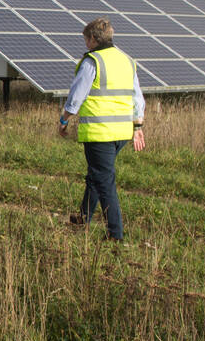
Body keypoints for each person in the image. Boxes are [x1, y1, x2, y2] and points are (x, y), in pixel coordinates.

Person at [58, 17, 145, 241]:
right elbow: (137, 97)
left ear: (94, 39)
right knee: (97, 175)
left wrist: (65, 119)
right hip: (122, 133)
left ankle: (115, 235)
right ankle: (83, 217)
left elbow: (77, 94)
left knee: (104, 182)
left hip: (100, 133)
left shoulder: (92, 62)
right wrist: (138, 126)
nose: (85, 44)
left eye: (86, 39)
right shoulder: (127, 61)